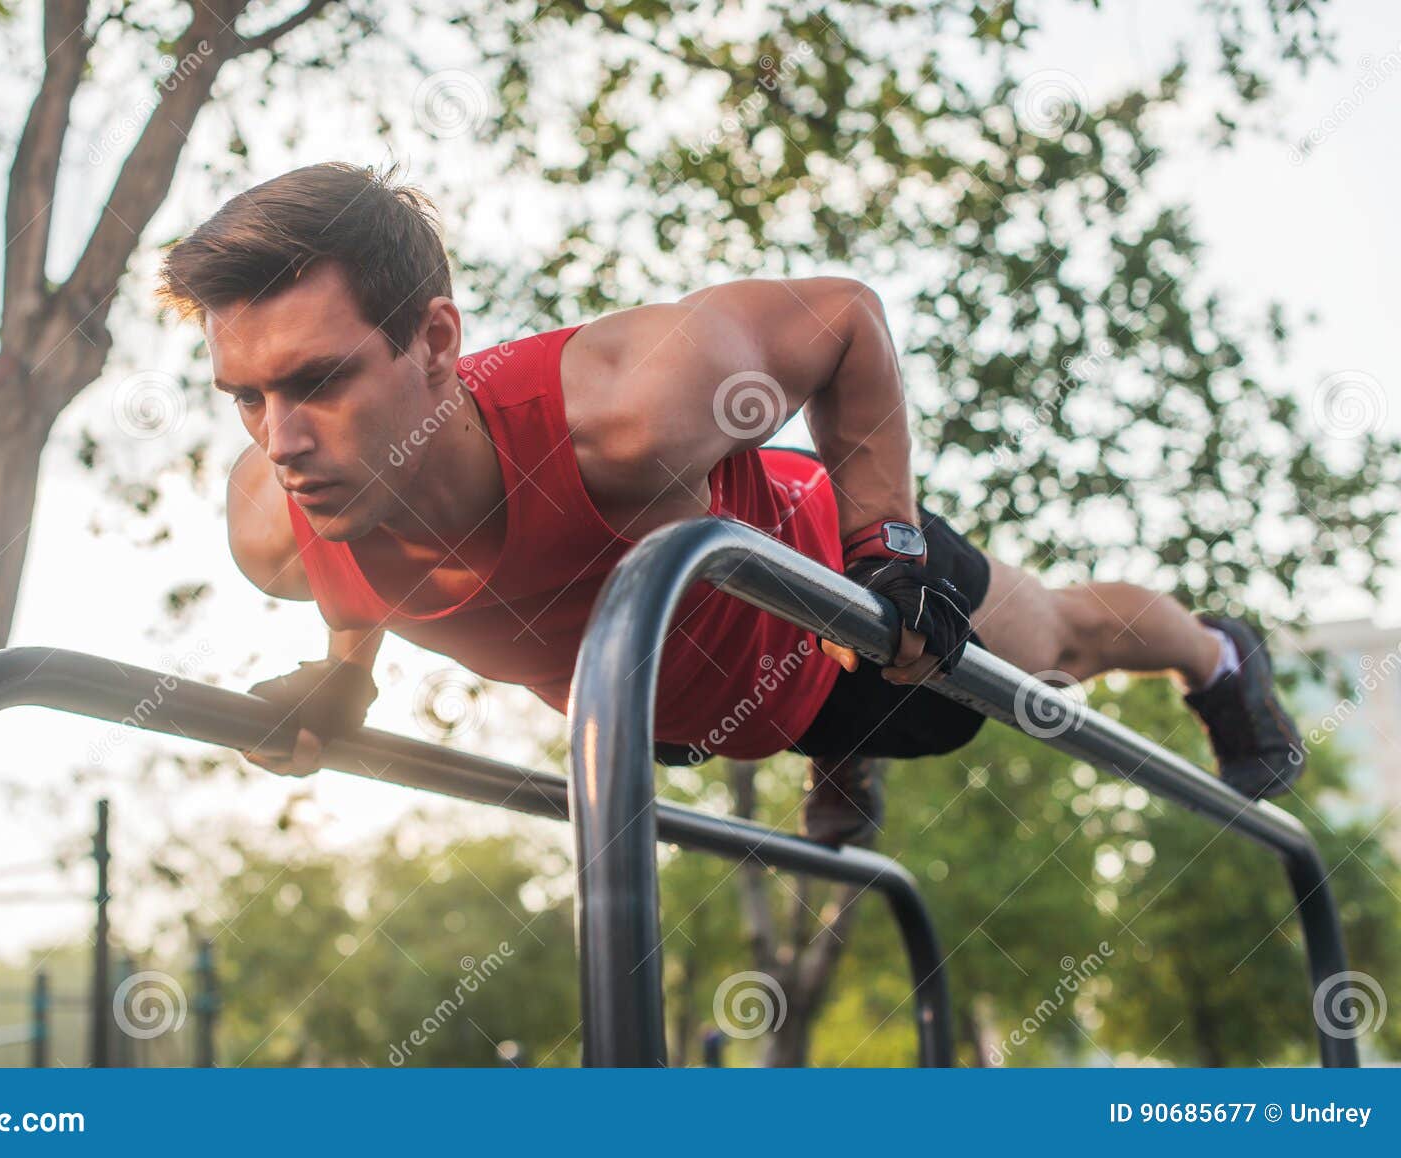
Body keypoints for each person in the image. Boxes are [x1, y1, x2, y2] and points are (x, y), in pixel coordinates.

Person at [158, 162, 1304, 851]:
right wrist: (347, 669)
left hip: (847, 618)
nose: (281, 438)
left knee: (1055, 641)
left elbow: (845, 317)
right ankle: (836, 763)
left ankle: (1216, 657)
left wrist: (885, 549)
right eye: (246, 397)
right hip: (685, 702)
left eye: (317, 380)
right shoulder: (275, 523)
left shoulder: (626, 408)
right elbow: (355, 560)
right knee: (740, 707)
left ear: (436, 341)